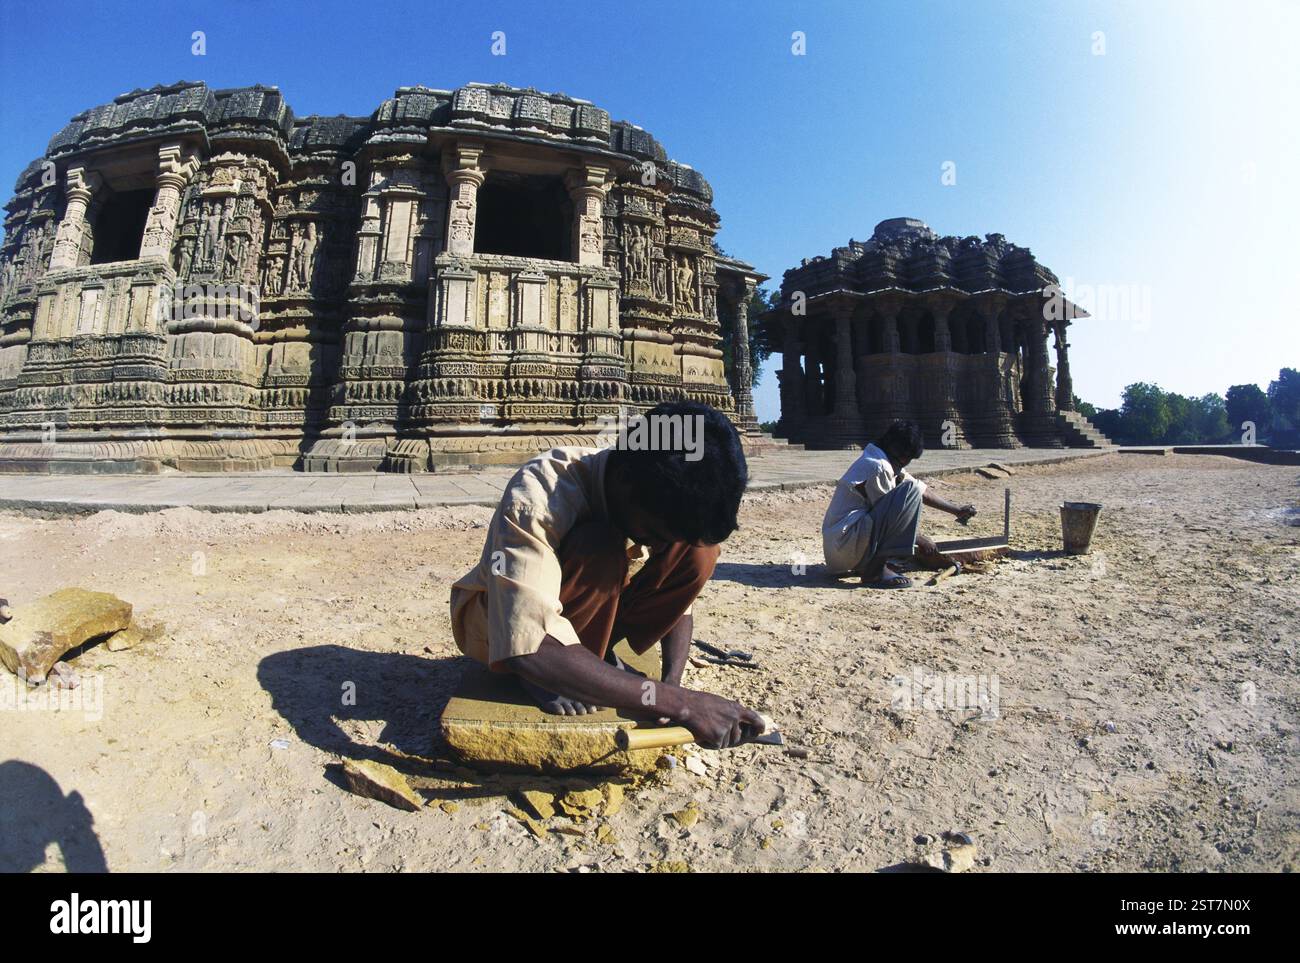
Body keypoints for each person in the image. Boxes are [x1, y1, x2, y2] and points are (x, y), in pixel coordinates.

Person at [450, 400, 765, 749]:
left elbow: (680, 603)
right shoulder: (540, 493)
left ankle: (587, 660)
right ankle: (554, 675)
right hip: (508, 632)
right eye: (656, 535)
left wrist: (671, 688)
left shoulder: (648, 487)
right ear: (624, 485)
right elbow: (529, 646)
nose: (659, 546)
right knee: (597, 546)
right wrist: (683, 704)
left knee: (698, 552)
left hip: (587, 617)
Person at [821, 420, 977, 588]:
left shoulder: (885, 458)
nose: (905, 462)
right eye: (906, 458)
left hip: (841, 550)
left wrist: (956, 510)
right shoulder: (879, 466)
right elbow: (890, 520)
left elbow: (922, 490)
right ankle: (875, 572)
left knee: (911, 488)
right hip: (845, 545)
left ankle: (872, 563)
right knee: (909, 490)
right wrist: (920, 540)